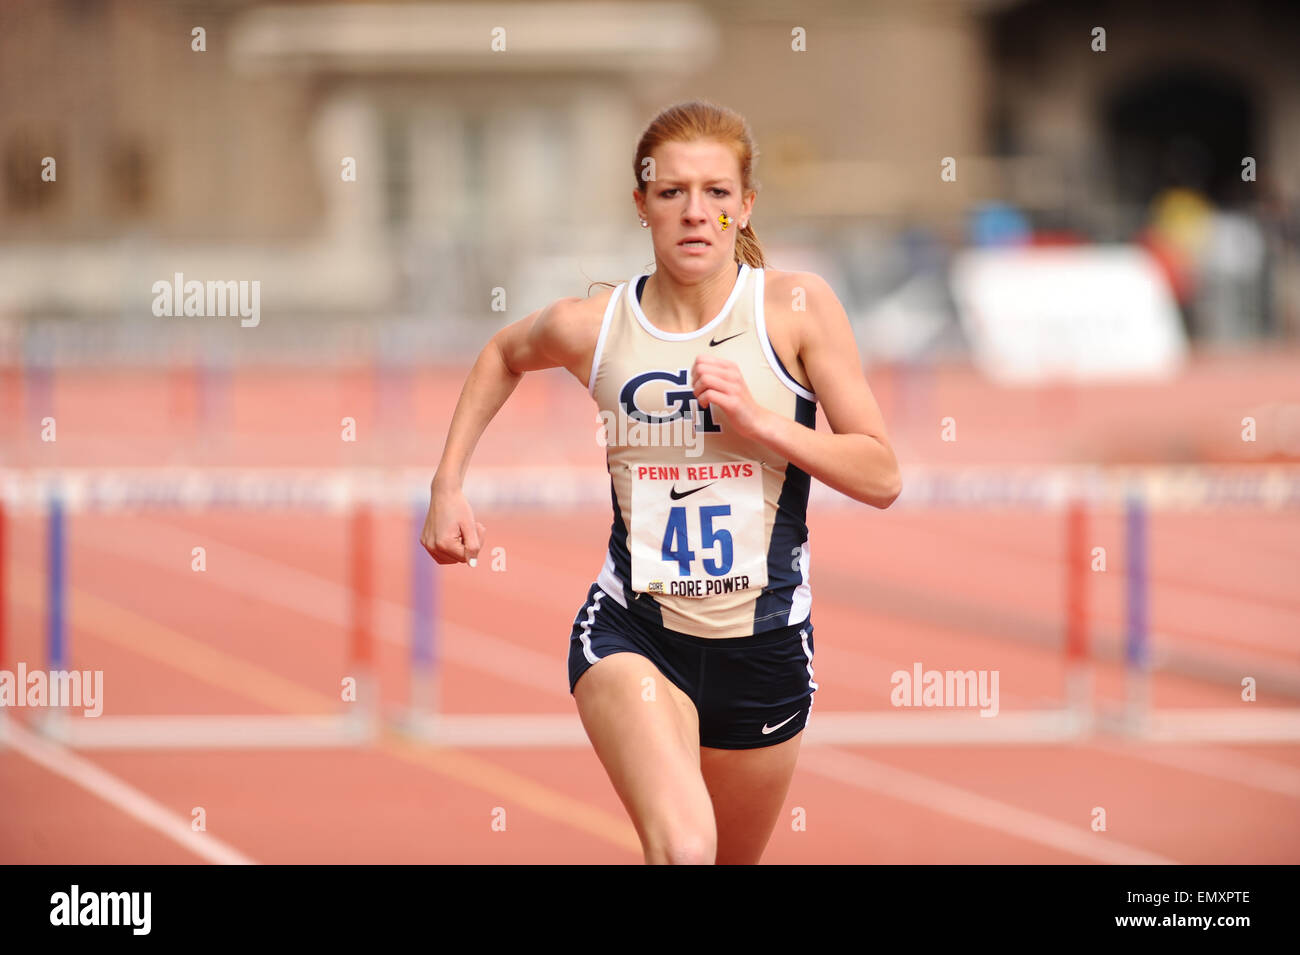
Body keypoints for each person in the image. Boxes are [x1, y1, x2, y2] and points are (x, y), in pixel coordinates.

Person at [422, 100, 901, 864]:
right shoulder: (596, 325)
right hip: (634, 631)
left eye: (717, 193)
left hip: (765, 649)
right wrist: (448, 483)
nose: (695, 213)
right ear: (641, 203)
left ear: (745, 205)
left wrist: (763, 421)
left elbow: (881, 474)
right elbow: (503, 354)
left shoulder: (795, 309)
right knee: (684, 848)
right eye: (672, 192)